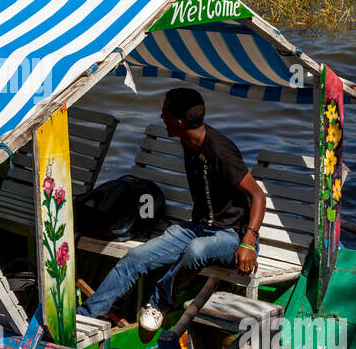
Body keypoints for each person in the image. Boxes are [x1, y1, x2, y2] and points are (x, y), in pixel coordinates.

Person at [78, 88, 266, 323]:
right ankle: (85, 316)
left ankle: (159, 303)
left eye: (164, 112)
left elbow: (258, 195)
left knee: (197, 249)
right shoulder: (189, 141)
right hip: (198, 228)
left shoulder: (220, 151)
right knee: (135, 257)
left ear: (178, 121)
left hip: (232, 236)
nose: (161, 117)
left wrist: (248, 242)